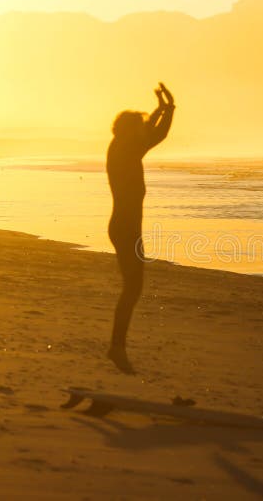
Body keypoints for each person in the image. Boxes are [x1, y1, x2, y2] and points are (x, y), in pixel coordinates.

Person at [106, 82, 175, 374]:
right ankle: (116, 347)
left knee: (132, 288)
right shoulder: (128, 150)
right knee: (132, 288)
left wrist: (162, 108)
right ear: (129, 130)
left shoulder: (122, 147)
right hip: (126, 229)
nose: (143, 129)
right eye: (139, 126)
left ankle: (117, 346)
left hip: (125, 226)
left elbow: (151, 132)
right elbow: (156, 134)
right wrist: (167, 108)